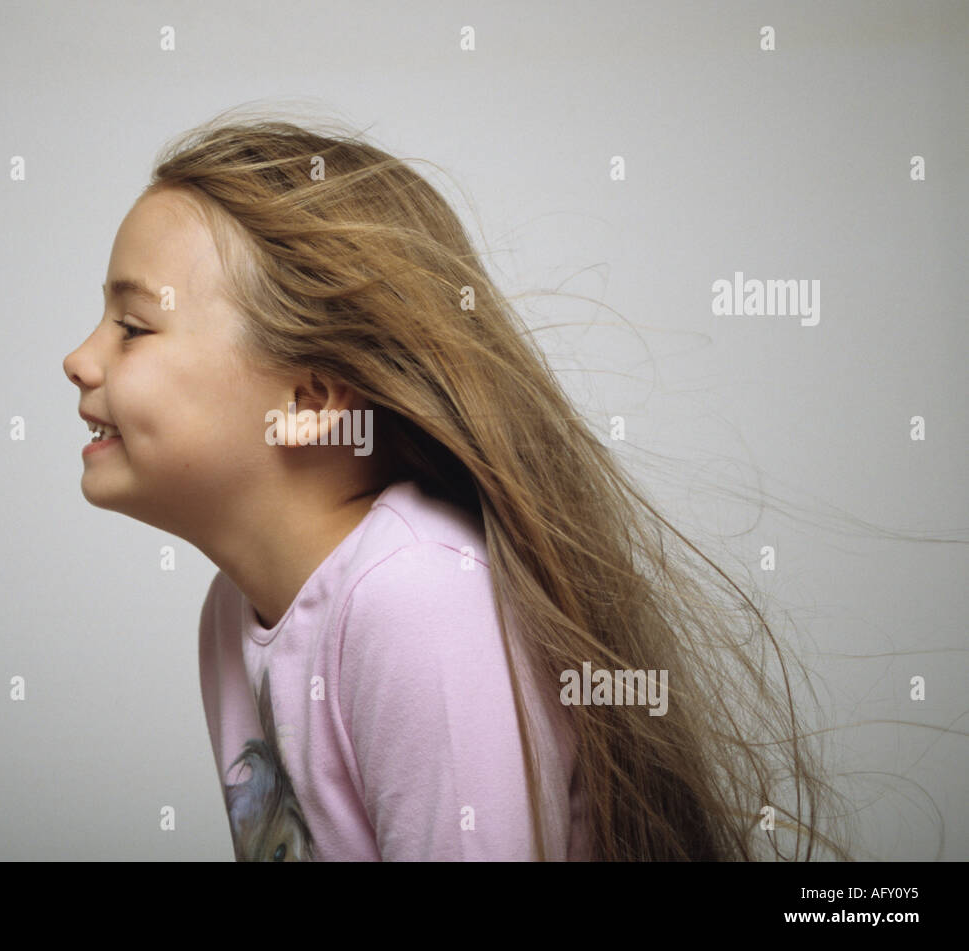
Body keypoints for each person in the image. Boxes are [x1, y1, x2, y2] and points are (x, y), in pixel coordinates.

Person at [63, 107, 854, 861]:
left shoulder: (418, 596)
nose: (80, 359)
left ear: (308, 401)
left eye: (132, 327)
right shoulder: (229, 613)